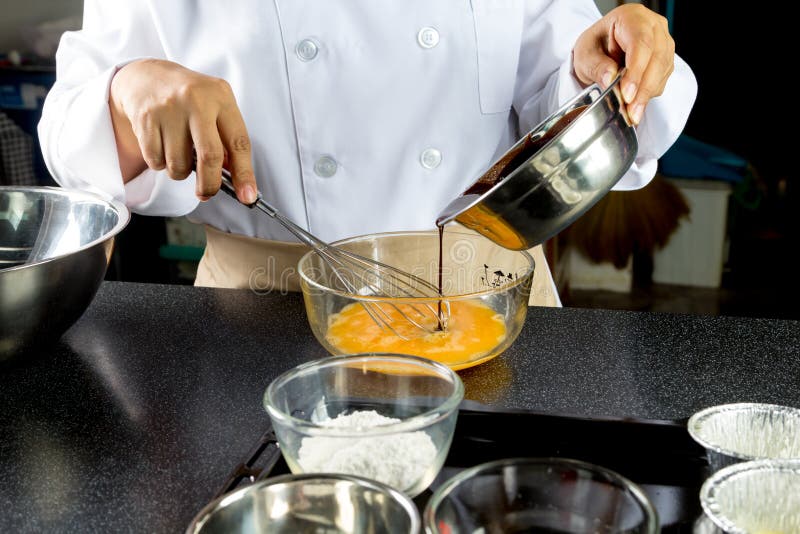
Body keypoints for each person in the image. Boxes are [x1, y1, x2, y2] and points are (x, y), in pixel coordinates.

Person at [38, 1, 697, 306]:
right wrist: (129, 92)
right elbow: (71, 131)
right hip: (259, 327)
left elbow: (558, 89)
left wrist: (600, 69)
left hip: (488, 312)